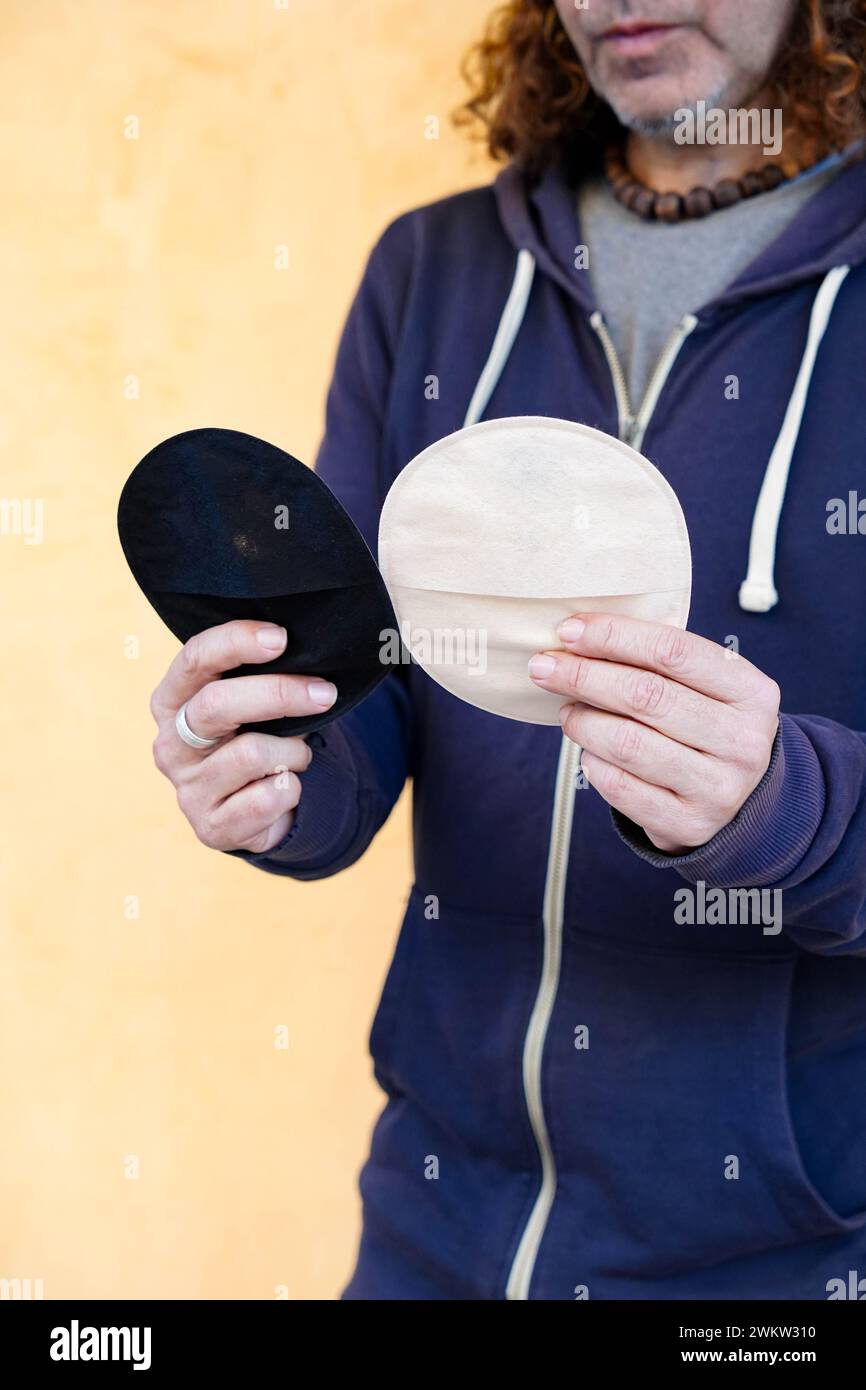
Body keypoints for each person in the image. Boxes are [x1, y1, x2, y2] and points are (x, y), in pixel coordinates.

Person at [149, 0, 866, 1299]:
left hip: (782, 1253)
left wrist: (780, 808)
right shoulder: (428, 270)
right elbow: (359, 704)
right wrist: (272, 770)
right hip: (436, 1218)